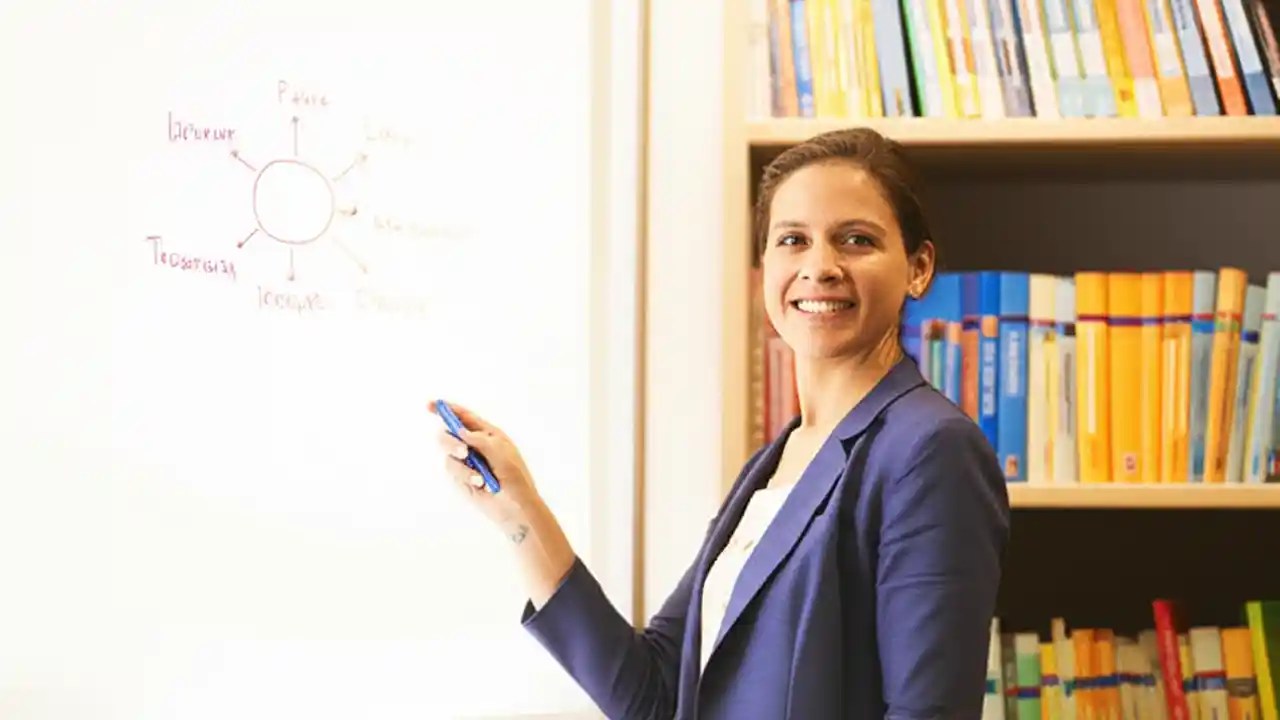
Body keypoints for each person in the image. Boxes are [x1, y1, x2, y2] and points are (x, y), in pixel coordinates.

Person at [431, 127, 1011, 719]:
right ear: (764, 267)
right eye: (792, 240)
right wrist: (520, 512)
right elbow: (653, 693)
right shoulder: (773, 465)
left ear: (918, 268)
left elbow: (928, 713)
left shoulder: (931, 451)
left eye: (856, 239)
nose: (820, 266)